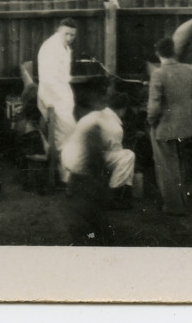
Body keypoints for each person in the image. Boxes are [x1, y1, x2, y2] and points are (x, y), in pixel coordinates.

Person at [147, 36, 192, 215]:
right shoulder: (189, 70)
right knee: (182, 163)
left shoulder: (158, 74)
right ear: (174, 52)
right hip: (186, 127)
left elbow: (154, 107)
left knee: (166, 166)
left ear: (158, 54)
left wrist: (152, 123)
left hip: (165, 128)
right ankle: (184, 197)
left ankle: (174, 207)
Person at [59, 73, 126, 244]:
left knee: (91, 222)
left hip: (77, 175)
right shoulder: (93, 123)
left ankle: (94, 239)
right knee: (89, 224)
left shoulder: (91, 118)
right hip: (83, 178)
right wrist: (101, 183)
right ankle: (92, 240)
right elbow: (94, 158)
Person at [36, 18, 79, 178]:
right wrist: (62, 99)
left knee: (68, 134)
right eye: (66, 34)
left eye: (72, 35)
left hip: (62, 97)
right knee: (67, 135)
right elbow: (49, 79)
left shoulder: (65, 48)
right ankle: (66, 176)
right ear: (58, 31)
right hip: (52, 98)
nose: (69, 38)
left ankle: (67, 173)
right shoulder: (51, 48)